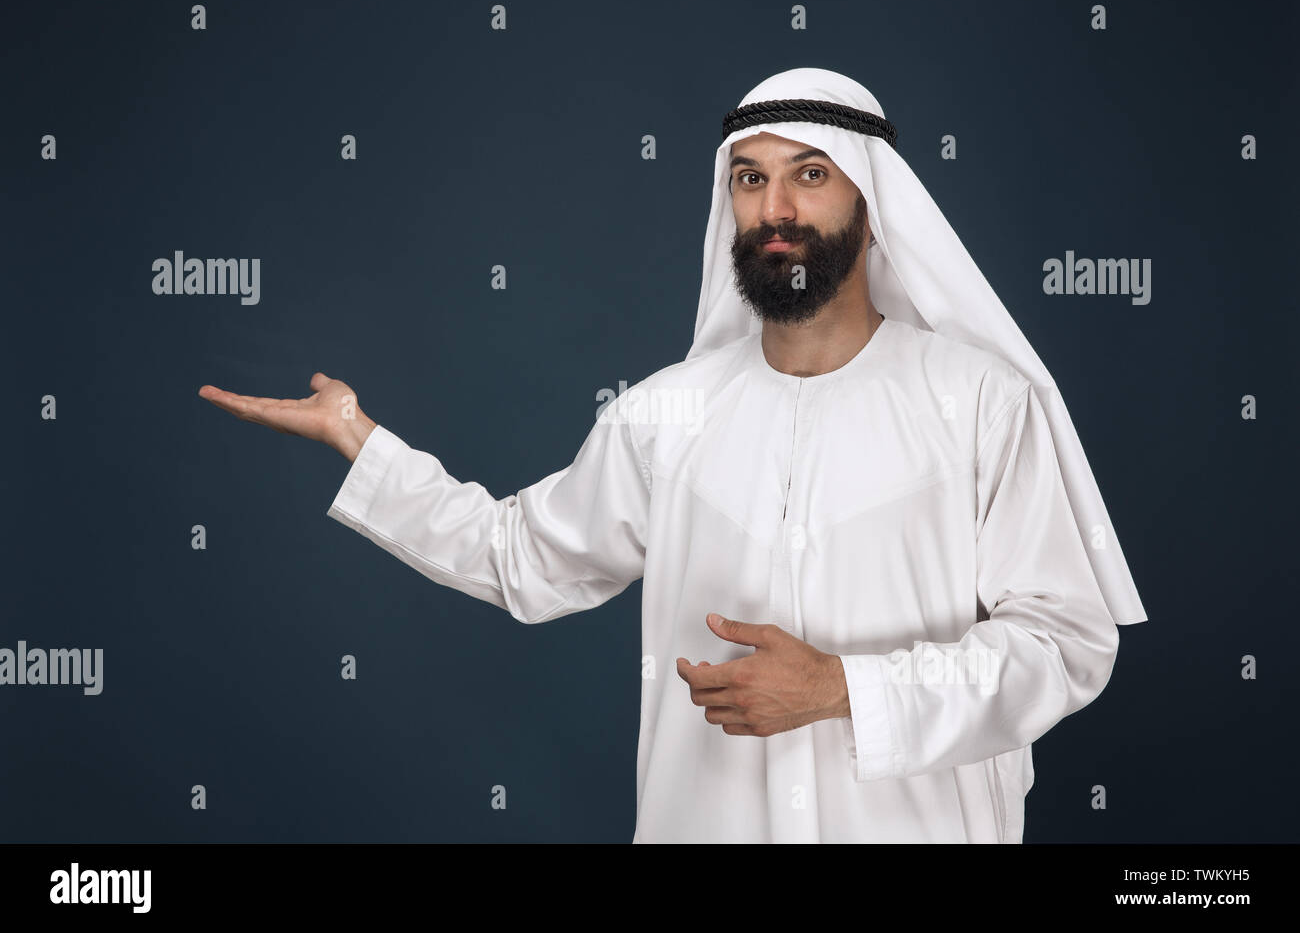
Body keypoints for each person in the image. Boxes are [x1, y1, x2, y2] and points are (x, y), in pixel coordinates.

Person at [198, 68, 1147, 843]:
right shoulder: (665, 416)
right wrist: (355, 438)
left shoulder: (981, 404)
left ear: (871, 195)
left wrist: (844, 689)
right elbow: (521, 557)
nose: (775, 207)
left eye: (810, 174)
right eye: (749, 178)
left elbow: (1064, 642)